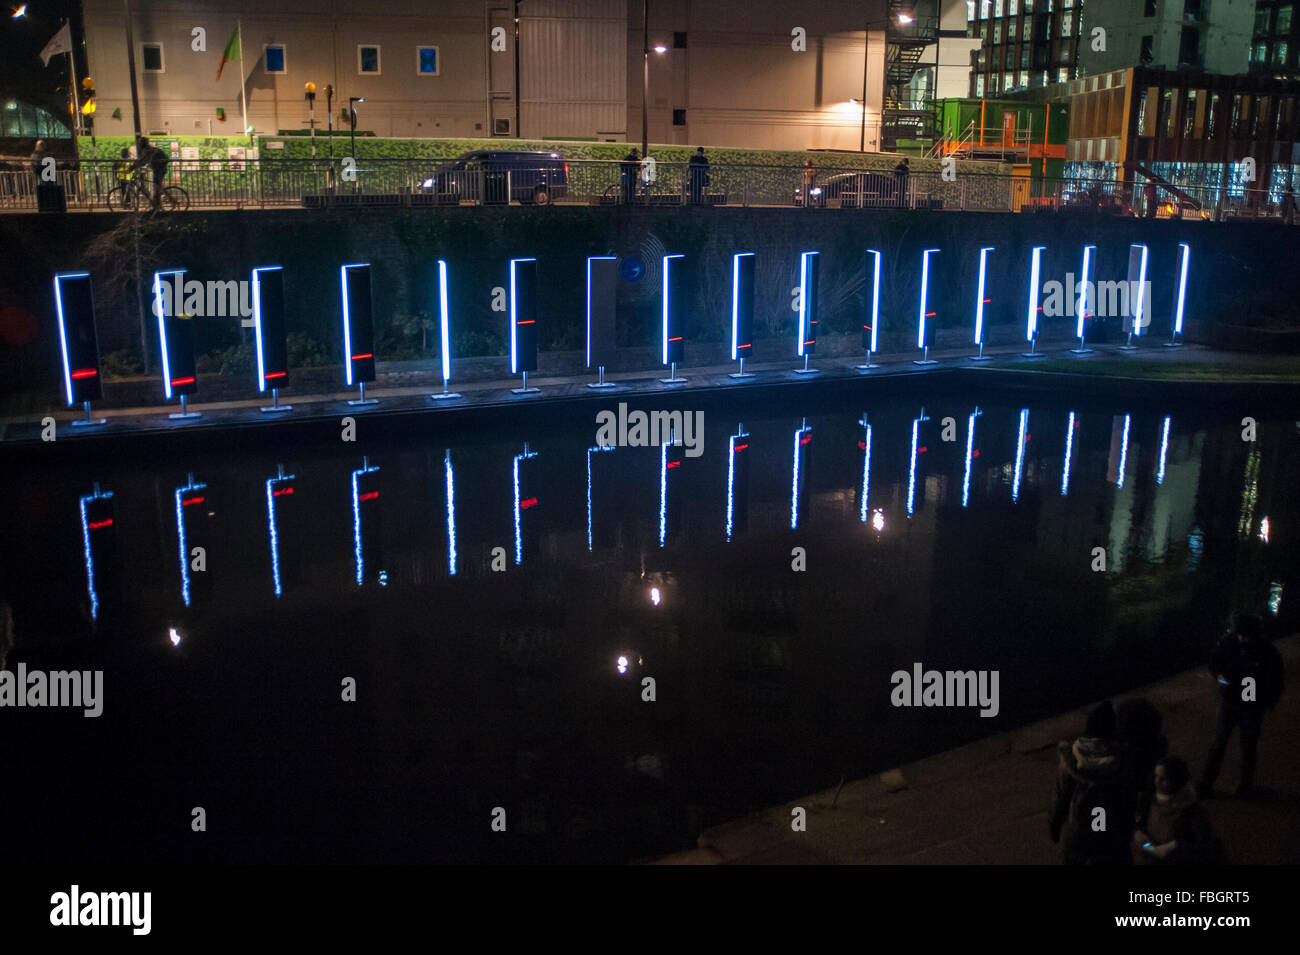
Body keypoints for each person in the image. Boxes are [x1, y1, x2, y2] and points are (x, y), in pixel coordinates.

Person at [1197, 614, 1284, 797]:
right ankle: (1206, 783)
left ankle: (1244, 785)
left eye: (1245, 635)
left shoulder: (1266, 650)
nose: (1242, 638)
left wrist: (1267, 702)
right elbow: (1215, 662)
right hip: (1231, 700)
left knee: (1247, 746)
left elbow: (1276, 679)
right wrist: (1219, 676)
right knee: (1219, 743)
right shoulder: (1229, 642)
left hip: (1251, 705)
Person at [1049, 700, 1133, 865]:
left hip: (1078, 836)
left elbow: (1061, 797)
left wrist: (1055, 827)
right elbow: (1128, 797)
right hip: (1111, 836)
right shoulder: (1120, 758)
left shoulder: (1071, 757)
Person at [1133, 757, 1223, 864]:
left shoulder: (1193, 810)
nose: (1157, 782)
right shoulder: (1148, 799)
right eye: (1156, 776)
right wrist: (1139, 833)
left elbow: (1202, 844)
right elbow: (1139, 821)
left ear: (1177, 781)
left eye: (1164, 779)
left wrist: (1174, 846)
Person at [136, 136, 169, 210]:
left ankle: (159, 205)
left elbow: (144, 160)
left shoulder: (149, 150)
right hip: (158, 169)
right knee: (157, 186)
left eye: (139, 143)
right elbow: (144, 160)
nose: (138, 145)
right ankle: (157, 205)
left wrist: (132, 167)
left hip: (159, 169)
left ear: (142, 144)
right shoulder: (149, 149)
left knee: (157, 187)